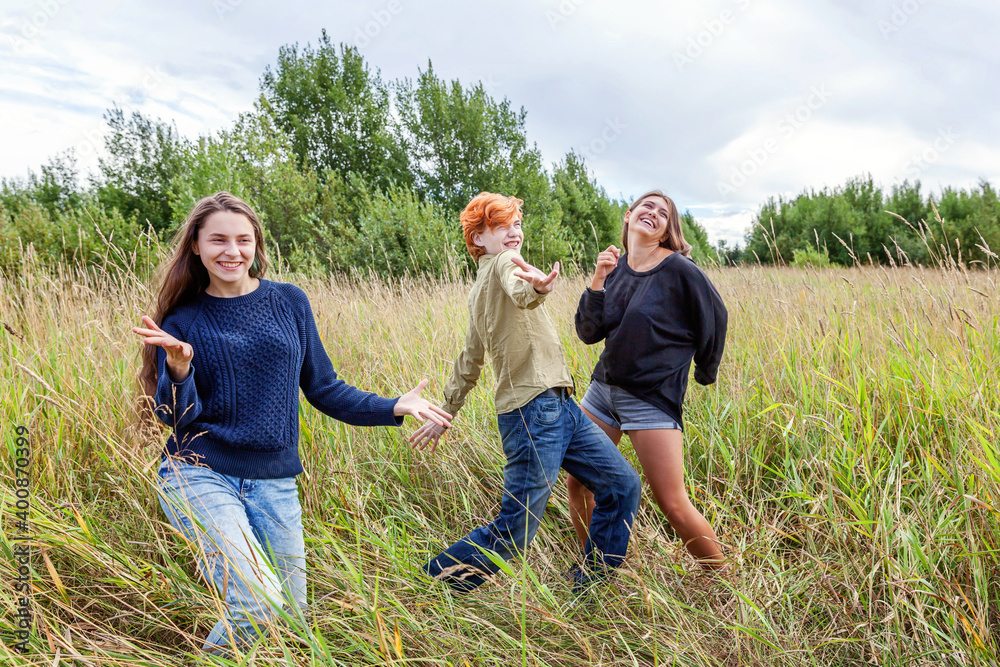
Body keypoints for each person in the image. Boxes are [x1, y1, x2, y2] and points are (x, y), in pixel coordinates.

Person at [132, 192, 451, 654]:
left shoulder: (288, 302)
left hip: (274, 482)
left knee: (290, 617)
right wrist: (180, 368)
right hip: (198, 474)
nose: (231, 251)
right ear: (196, 247)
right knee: (259, 604)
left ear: (257, 244)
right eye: (217, 240)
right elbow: (173, 419)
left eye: (243, 240)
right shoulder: (184, 320)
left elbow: (324, 388)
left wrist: (394, 406)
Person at [410, 192, 641, 593]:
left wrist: (446, 410)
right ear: (479, 239)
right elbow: (520, 293)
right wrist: (537, 289)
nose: (514, 232)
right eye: (502, 226)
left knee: (622, 486)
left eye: (517, 223)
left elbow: (469, 358)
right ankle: (431, 587)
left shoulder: (478, 288)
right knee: (514, 532)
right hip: (534, 414)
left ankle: (588, 590)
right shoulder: (503, 265)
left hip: (561, 409)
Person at [567, 190, 728, 569]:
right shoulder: (617, 268)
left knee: (672, 503)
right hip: (601, 392)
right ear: (629, 216)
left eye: (663, 213)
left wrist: (701, 372)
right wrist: (598, 278)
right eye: (647, 207)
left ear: (667, 230)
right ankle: (595, 571)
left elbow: (715, 317)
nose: (653, 214)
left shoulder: (679, 270)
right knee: (579, 484)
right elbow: (589, 332)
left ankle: (724, 584)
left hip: (650, 400)